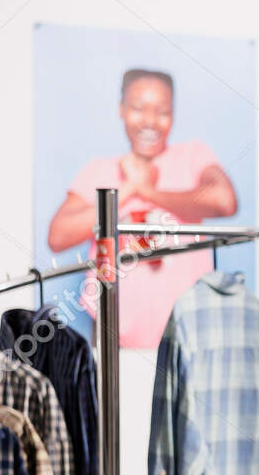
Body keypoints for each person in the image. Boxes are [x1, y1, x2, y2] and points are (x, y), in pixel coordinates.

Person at [47, 68, 241, 349]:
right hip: (113, 334)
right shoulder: (100, 170)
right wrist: (126, 190)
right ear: (122, 110)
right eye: (139, 108)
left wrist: (147, 190)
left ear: (173, 115)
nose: (150, 121)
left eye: (162, 111)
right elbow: (57, 236)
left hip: (188, 333)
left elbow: (225, 201)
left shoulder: (192, 156)